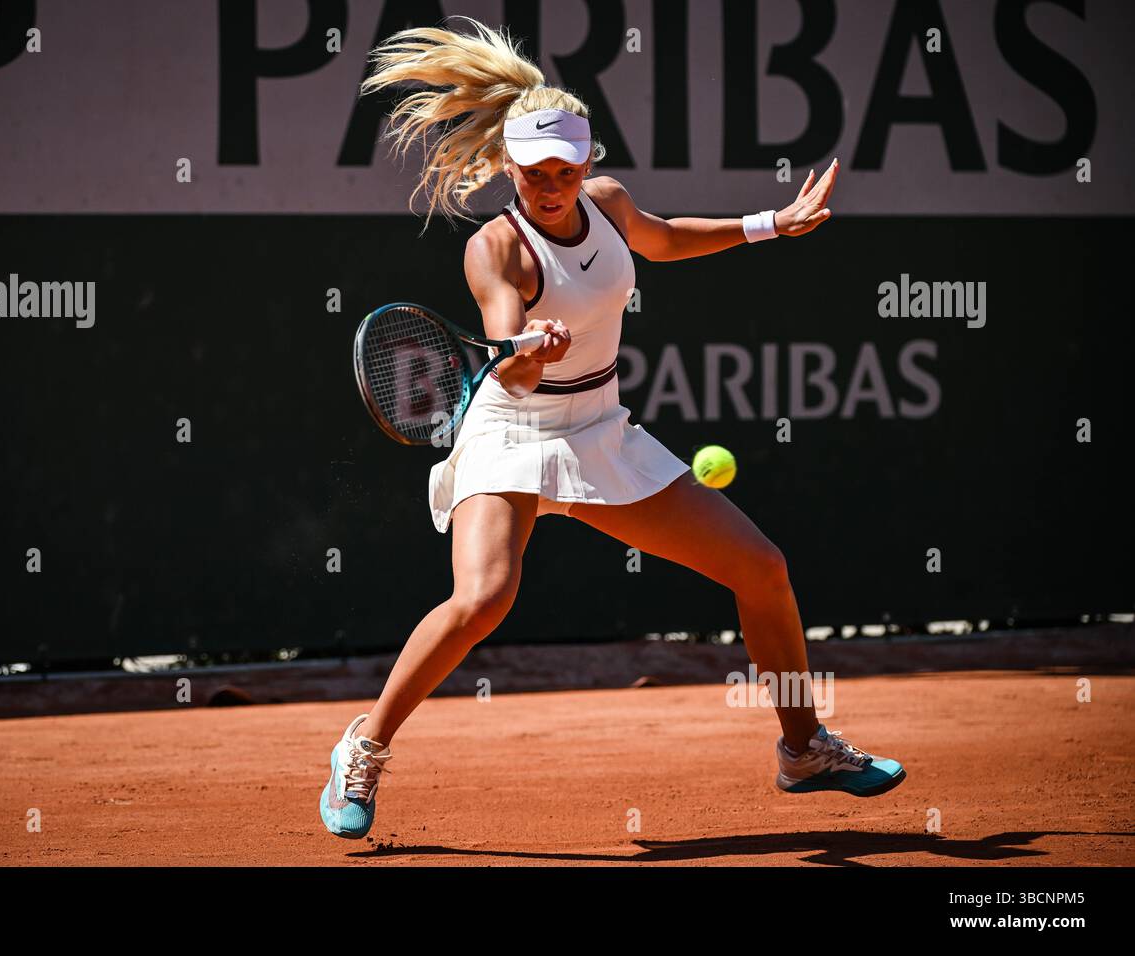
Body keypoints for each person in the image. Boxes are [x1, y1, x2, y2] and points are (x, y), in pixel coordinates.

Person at [320, 17, 905, 839]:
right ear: (509, 169)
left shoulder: (607, 202)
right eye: (532, 175)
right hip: (512, 429)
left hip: (599, 424)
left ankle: (804, 749)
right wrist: (530, 351)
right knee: (483, 598)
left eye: (564, 170)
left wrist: (770, 224)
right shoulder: (497, 251)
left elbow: (659, 242)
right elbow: (510, 362)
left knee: (762, 569)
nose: (550, 187)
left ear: (587, 164)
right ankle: (363, 744)